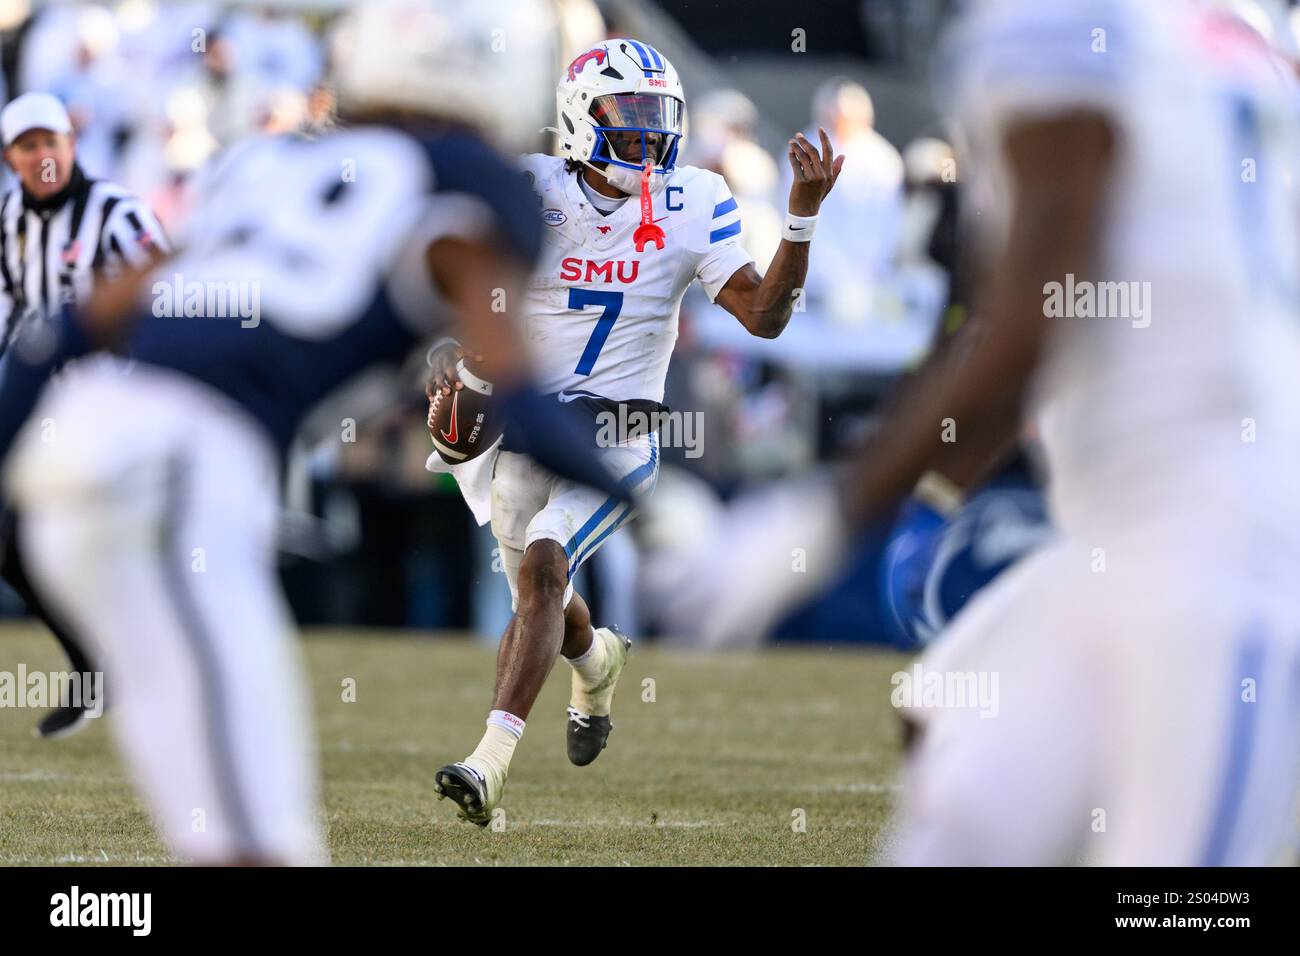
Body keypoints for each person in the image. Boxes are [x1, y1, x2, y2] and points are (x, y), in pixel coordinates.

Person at [648, 0, 1300, 864]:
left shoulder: (1054, 23)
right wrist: (925, 496)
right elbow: (1027, 334)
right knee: (947, 792)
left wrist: (828, 516)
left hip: (1226, 552)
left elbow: (1027, 318)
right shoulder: (1227, 36)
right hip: (1134, 532)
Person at [0, 0, 622, 865]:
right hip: (174, 475)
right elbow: (515, 382)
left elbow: (70, 327)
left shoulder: (263, 163)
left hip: (87, 462)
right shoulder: (478, 183)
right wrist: (628, 486)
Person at [428, 38, 843, 826]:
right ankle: (598, 658)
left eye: (660, 118)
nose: (651, 137)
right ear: (580, 121)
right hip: (528, 421)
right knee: (539, 593)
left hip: (620, 429)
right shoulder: (528, 186)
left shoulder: (694, 198)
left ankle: (488, 763)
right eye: (631, 118)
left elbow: (764, 316)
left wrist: (801, 219)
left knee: (546, 567)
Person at [0, 90, 169, 738]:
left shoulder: (117, 216)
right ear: (11, 157)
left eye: (52, 141)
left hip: (117, 405)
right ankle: (92, 664)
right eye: (28, 145)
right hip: (45, 408)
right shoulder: (10, 220)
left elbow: (167, 303)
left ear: (72, 144)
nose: (43, 156)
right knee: (15, 539)